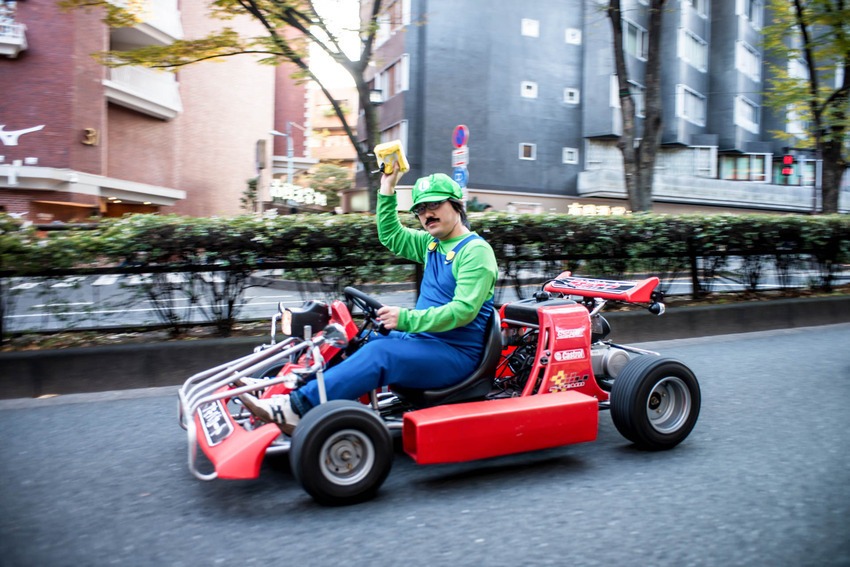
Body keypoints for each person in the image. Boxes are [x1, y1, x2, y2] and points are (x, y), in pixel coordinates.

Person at [239, 169, 499, 433]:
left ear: (456, 204)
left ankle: (296, 408)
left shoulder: (475, 252)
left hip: (456, 355)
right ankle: (283, 390)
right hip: (423, 341)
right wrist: (388, 185)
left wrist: (405, 319)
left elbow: (463, 311)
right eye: (420, 209)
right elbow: (391, 235)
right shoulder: (432, 244)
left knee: (380, 353)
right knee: (350, 341)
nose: (426, 214)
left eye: (434, 205)